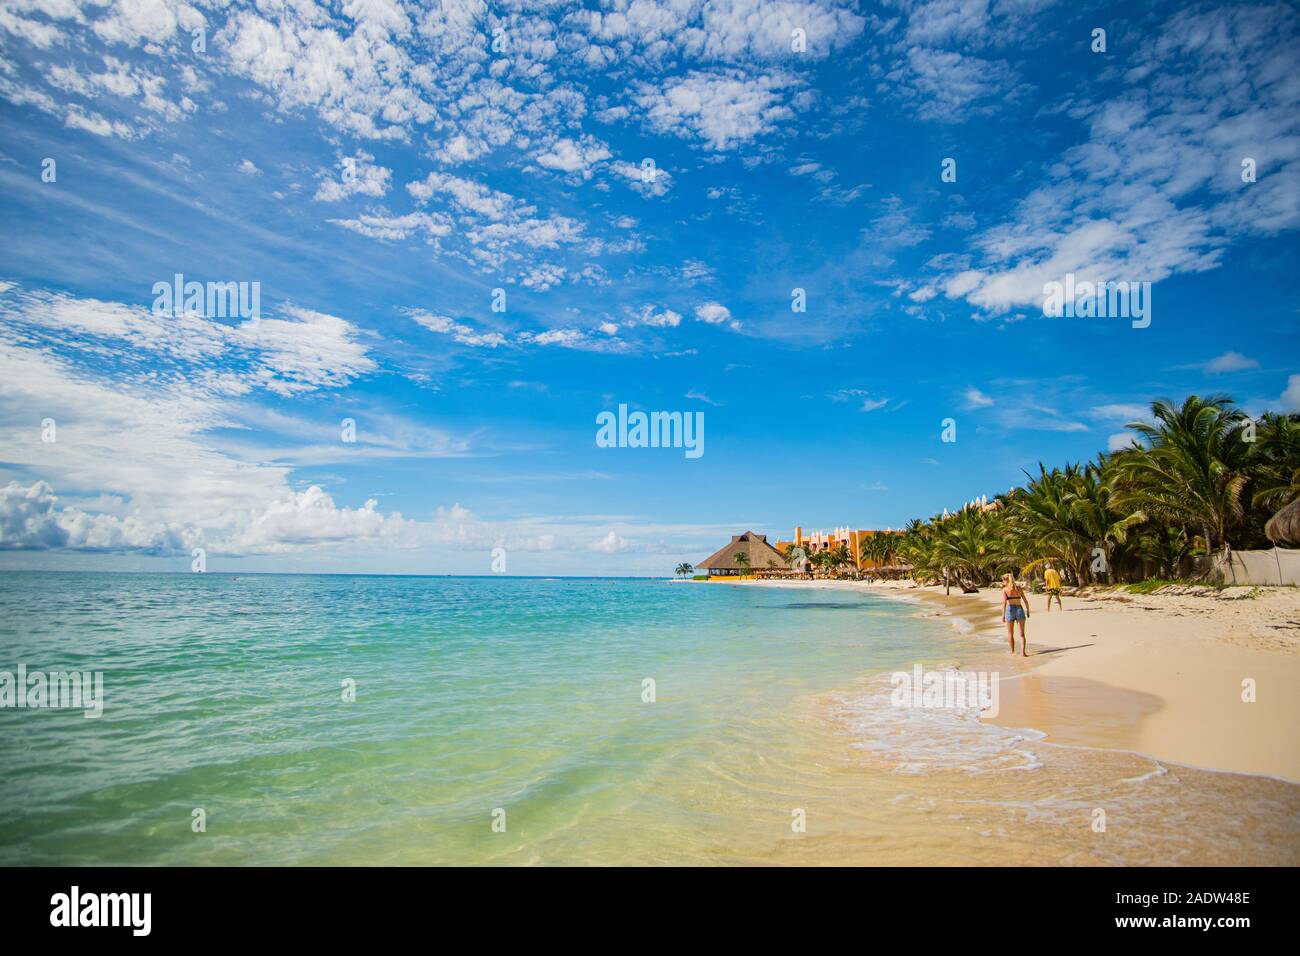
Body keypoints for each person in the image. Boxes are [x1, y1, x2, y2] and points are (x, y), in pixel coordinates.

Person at [1001, 573, 1029, 656]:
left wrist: (1003, 615)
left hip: (1010, 610)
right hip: (1019, 609)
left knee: (1010, 633)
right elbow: (1025, 600)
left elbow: (1004, 603)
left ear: (1006, 580)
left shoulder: (1005, 590)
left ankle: (1012, 652)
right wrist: (1028, 610)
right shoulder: (1019, 588)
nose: (1003, 582)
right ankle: (1023, 652)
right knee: (1022, 634)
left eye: (1003, 580)